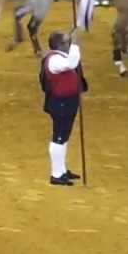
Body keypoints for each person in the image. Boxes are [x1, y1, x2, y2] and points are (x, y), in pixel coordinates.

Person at [39, 29, 87, 187]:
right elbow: (72, 63)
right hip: (61, 103)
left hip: (67, 101)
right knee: (59, 137)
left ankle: (62, 169)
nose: (69, 45)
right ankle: (56, 174)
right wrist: (75, 46)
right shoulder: (55, 60)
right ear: (60, 45)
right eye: (67, 42)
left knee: (63, 136)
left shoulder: (58, 57)